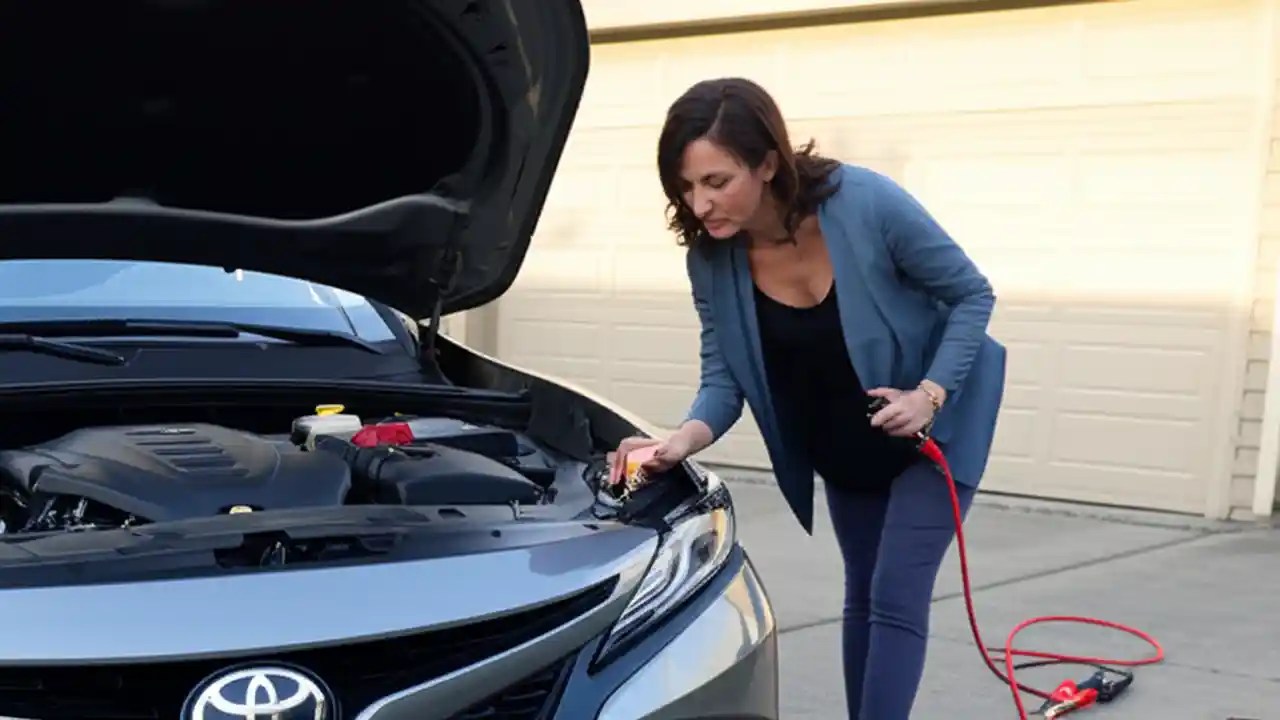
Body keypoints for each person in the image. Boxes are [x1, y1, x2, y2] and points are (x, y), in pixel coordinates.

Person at [612, 77, 1007, 719]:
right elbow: (724, 378)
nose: (700, 203)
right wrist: (676, 440)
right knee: (863, 596)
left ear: (768, 163)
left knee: (896, 594)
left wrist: (929, 393)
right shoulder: (712, 260)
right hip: (843, 440)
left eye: (716, 181)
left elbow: (973, 295)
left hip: (934, 430)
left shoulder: (866, 203)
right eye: (685, 187)